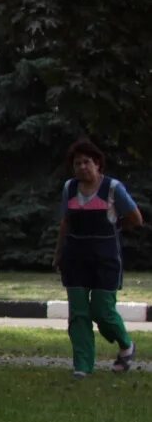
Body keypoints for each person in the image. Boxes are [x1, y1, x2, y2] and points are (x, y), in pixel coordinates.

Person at [53, 138, 141, 377]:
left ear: (98, 164)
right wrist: (58, 253)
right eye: (77, 163)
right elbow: (65, 223)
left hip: (105, 259)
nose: (82, 167)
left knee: (103, 311)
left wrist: (115, 225)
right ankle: (82, 365)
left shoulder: (113, 188)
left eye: (86, 162)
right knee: (79, 314)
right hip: (75, 258)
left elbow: (136, 217)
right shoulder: (69, 188)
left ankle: (126, 344)